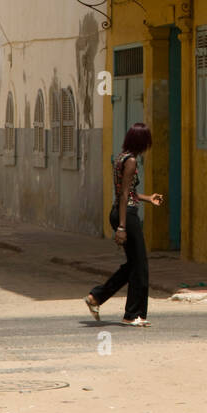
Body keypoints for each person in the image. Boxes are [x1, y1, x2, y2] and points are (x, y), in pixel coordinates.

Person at [85, 122, 163, 327]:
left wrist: (148, 198)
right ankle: (133, 314)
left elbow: (127, 192)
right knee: (141, 267)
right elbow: (123, 195)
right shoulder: (131, 162)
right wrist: (121, 227)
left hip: (121, 212)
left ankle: (97, 297)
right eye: (146, 141)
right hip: (126, 216)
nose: (148, 145)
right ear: (141, 141)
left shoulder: (121, 157)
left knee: (132, 265)